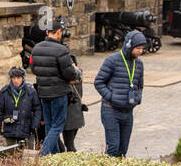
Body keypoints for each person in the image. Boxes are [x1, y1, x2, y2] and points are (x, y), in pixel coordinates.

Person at [31, 18, 80, 156]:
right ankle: (43, 154)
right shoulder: (61, 50)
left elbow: (34, 69)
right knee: (57, 125)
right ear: (58, 32)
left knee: (49, 124)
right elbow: (69, 73)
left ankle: (55, 157)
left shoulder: (36, 48)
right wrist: (76, 70)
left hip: (43, 92)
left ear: (47, 32)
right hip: (58, 92)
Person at [94, 29, 147, 158]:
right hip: (110, 110)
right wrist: (111, 97)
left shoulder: (139, 64)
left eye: (142, 48)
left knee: (123, 149)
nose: (140, 51)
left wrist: (137, 97)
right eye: (138, 48)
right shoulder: (112, 60)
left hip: (128, 112)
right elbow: (99, 82)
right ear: (129, 46)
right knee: (113, 147)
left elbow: (140, 85)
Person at [0, 66, 39, 149]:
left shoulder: (31, 91)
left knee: (26, 156)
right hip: (10, 128)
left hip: (26, 129)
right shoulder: (4, 91)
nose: (16, 80)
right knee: (11, 155)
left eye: (18, 78)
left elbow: (37, 109)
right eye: (13, 78)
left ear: (22, 78)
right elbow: (0, 110)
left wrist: (34, 126)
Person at [63, 53, 87, 152]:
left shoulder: (75, 76)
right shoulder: (77, 75)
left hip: (72, 114)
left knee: (69, 145)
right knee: (68, 144)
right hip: (73, 114)